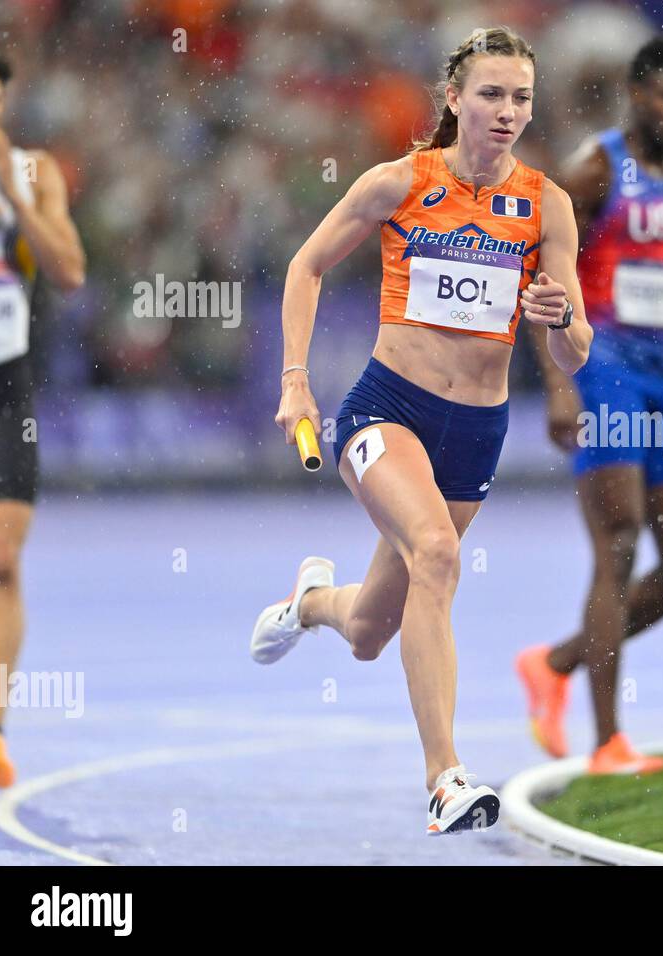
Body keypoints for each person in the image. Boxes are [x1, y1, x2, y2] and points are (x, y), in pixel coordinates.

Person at [249, 27, 592, 835]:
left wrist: (559, 318)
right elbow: (306, 265)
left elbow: (575, 353)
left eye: (521, 98)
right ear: (454, 99)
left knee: (370, 628)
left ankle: (310, 602)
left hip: (475, 432)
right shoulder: (400, 182)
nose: (507, 112)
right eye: (491, 95)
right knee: (437, 553)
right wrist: (295, 381)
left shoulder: (547, 206)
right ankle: (445, 778)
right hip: (386, 412)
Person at [515, 35, 663, 775]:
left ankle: (553, 663)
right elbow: (536, 267)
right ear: (635, 94)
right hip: (603, 368)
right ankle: (609, 742)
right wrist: (559, 384)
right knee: (617, 549)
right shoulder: (595, 170)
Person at [0, 47, 86, 790]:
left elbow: (71, 271)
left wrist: (12, 201)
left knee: (1, 557)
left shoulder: (31, 172)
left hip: (0, 388)